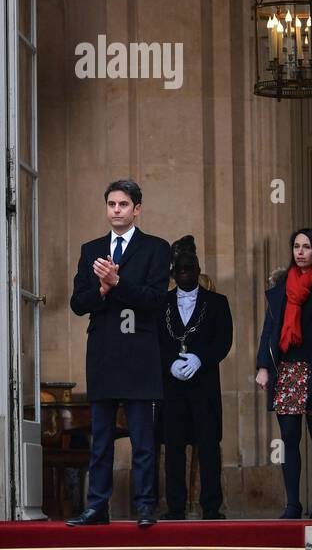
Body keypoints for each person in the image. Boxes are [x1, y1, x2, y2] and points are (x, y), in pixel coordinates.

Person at [68, 179, 170, 528]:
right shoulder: (91, 249)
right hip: (104, 354)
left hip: (140, 353)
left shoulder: (157, 248)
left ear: (136, 208)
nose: (116, 210)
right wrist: (100, 287)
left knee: (143, 439)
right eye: (111, 204)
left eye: (123, 205)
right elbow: (77, 303)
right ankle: (97, 506)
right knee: (101, 441)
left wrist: (118, 284)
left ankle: (145, 506)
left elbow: (156, 300)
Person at [255, 228, 312, 519]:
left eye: (306, 247)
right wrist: (263, 366)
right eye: (296, 247)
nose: (300, 252)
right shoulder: (281, 288)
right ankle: (292, 504)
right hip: (287, 371)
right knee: (289, 437)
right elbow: (270, 330)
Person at [158, 235, 232, 520]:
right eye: (182, 270)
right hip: (173, 388)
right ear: (174, 274)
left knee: (209, 446)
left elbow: (224, 340)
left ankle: (211, 506)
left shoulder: (217, 302)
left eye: (192, 269)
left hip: (205, 387)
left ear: (199, 270)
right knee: (173, 447)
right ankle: (175, 506)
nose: (187, 273)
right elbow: (155, 342)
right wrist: (169, 364)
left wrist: (201, 358)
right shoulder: (160, 304)